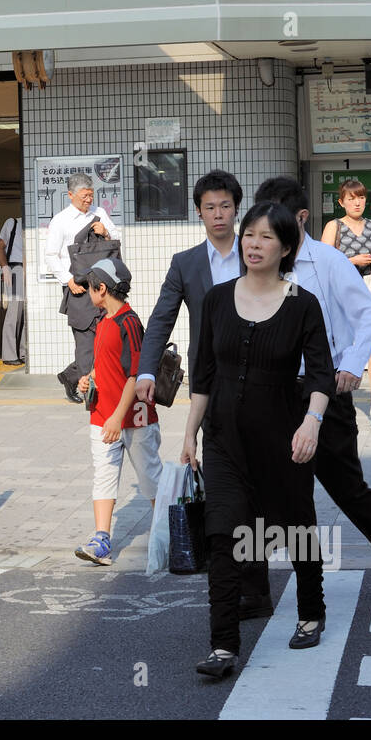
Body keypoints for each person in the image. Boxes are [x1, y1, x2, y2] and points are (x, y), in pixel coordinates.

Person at [181, 201, 334, 681]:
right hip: (223, 440)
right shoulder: (218, 299)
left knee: (296, 528)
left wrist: (311, 423)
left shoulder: (302, 303)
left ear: (286, 247)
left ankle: (312, 608)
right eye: (250, 234)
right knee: (223, 536)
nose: (253, 243)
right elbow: (204, 374)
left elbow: (322, 374)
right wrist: (189, 433)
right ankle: (223, 646)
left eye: (267, 237)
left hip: (283, 440)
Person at [254, 177, 371, 599]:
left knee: (345, 487)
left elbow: (367, 314)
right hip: (276, 394)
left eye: (275, 221)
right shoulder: (258, 266)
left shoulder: (328, 262)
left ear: (301, 218)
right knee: (290, 494)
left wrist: (350, 365)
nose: (265, 232)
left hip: (325, 390)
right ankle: (307, 588)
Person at [136, 169, 270, 619]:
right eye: (210, 207)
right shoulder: (186, 263)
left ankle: (254, 587)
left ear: (238, 208)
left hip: (264, 384)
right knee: (224, 488)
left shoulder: (256, 252)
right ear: (199, 212)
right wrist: (146, 371)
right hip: (212, 389)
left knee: (256, 489)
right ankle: (235, 586)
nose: (218, 214)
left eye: (226, 206)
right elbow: (160, 320)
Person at [72, 258, 161, 566]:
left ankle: (169, 533)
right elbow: (108, 363)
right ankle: (101, 540)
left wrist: (116, 417)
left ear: (103, 288)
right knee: (104, 477)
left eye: (89, 287)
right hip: (102, 415)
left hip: (134, 417)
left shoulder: (129, 321)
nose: (86, 292)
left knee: (150, 479)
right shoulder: (104, 320)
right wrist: (90, 377)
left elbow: (135, 374)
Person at [43, 174, 120, 403]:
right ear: (70, 195)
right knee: (86, 343)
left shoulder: (100, 213)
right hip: (77, 289)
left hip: (103, 287)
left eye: (91, 195)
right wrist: (68, 280)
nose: (88, 200)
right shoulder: (60, 220)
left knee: (107, 340)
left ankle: (71, 376)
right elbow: (51, 255)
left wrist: (105, 231)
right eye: (84, 196)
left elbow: (116, 238)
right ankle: (92, 395)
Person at [320, 179, 371, 430]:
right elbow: (323, 262)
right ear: (341, 202)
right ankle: (335, 401)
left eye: (360, 197)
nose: (357, 202)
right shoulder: (333, 226)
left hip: (369, 296)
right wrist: (353, 260)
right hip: (340, 298)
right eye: (351, 198)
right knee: (340, 350)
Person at [0, 215, 26, 366]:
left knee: (27, 314)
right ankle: (9, 354)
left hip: (31, 270)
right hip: (16, 269)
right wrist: (5, 268)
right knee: (15, 312)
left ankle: (23, 352)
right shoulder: (12, 223)